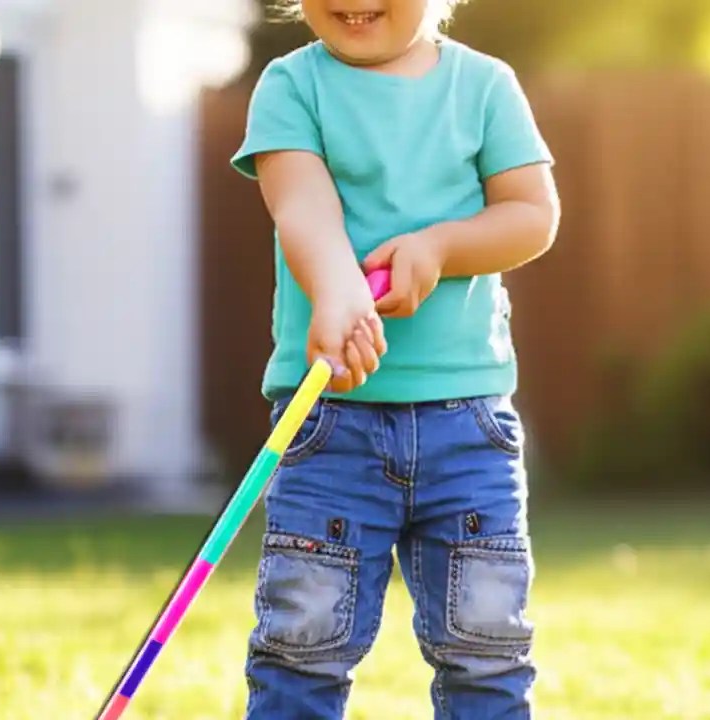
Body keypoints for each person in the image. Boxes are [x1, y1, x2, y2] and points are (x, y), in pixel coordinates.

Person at [229, 0, 560, 717]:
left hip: (468, 427)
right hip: (329, 424)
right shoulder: (292, 85)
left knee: (488, 653)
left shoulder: (484, 85)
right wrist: (338, 287)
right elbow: (300, 205)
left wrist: (440, 247)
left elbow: (532, 214)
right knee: (301, 651)